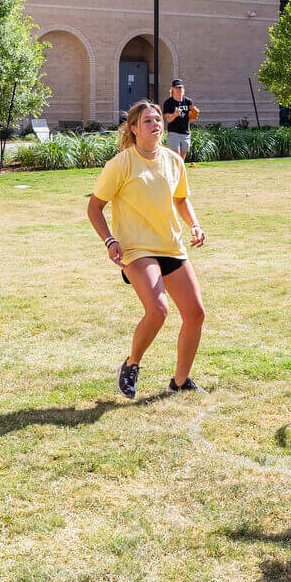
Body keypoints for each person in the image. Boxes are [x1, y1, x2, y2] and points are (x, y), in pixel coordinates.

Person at [87, 100, 208, 399]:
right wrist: (109, 240)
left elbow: (180, 199)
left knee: (195, 313)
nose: (155, 125)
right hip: (135, 248)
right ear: (133, 128)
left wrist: (194, 224)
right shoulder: (121, 164)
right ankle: (131, 365)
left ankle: (180, 381)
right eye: (147, 121)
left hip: (171, 244)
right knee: (158, 309)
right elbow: (94, 207)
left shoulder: (173, 160)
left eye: (158, 120)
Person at [162, 79, 197, 159]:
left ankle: (179, 172)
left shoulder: (188, 101)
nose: (178, 90)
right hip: (174, 133)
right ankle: (175, 171)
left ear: (183, 89)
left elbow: (191, 120)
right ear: (172, 89)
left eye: (180, 88)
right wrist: (175, 114)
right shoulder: (168, 102)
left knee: (181, 158)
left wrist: (192, 116)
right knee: (176, 157)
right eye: (176, 88)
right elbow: (168, 119)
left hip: (185, 133)